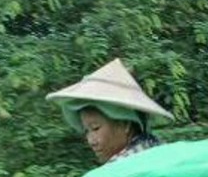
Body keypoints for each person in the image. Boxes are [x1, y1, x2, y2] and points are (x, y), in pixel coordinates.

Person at [45, 58, 173, 165]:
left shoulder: (124, 167)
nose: (91, 141)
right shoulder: (156, 148)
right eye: (86, 131)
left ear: (125, 125)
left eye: (95, 128)